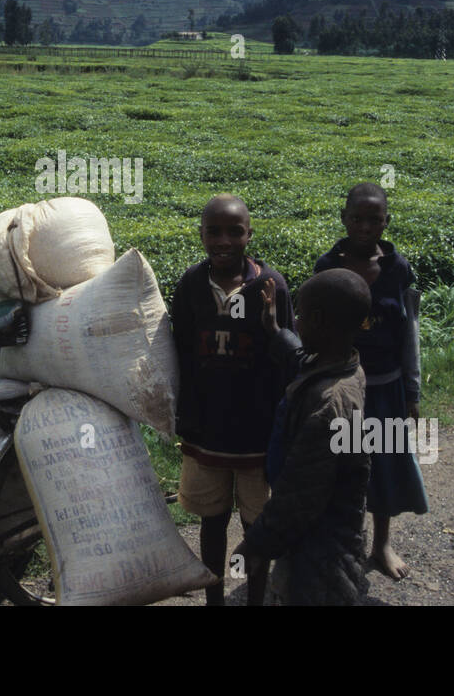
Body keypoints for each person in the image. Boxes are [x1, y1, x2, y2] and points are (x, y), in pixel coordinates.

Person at [170, 193, 294, 605]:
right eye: (214, 232)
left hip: (257, 432)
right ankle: (214, 598)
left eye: (234, 232)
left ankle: (254, 596)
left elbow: (289, 359)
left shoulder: (270, 287)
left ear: (249, 235)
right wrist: (183, 414)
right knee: (212, 520)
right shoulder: (190, 285)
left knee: (255, 525)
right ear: (201, 234)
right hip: (208, 428)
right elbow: (181, 354)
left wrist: (272, 329)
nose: (224, 240)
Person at [232, 269, 372, 605]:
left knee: (314, 591)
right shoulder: (345, 367)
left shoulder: (328, 406)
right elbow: (300, 360)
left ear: (320, 320)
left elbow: (300, 494)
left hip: (320, 538)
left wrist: (255, 543)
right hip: (336, 522)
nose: (297, 319)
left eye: (302, 314)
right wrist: (276, 331)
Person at [314, 182, 428, 579]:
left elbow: (409, 331)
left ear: (386, 222)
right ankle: (344, 546)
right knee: (340, 466)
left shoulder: (398, 270)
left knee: (385, 466)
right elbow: (315, 327)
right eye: (357, 219)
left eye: (374, 220)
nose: (365, 227)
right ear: (344, 219)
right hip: (341, 389)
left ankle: (381, 544)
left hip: (386, 386)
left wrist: (411, 389)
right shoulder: (327, 267)